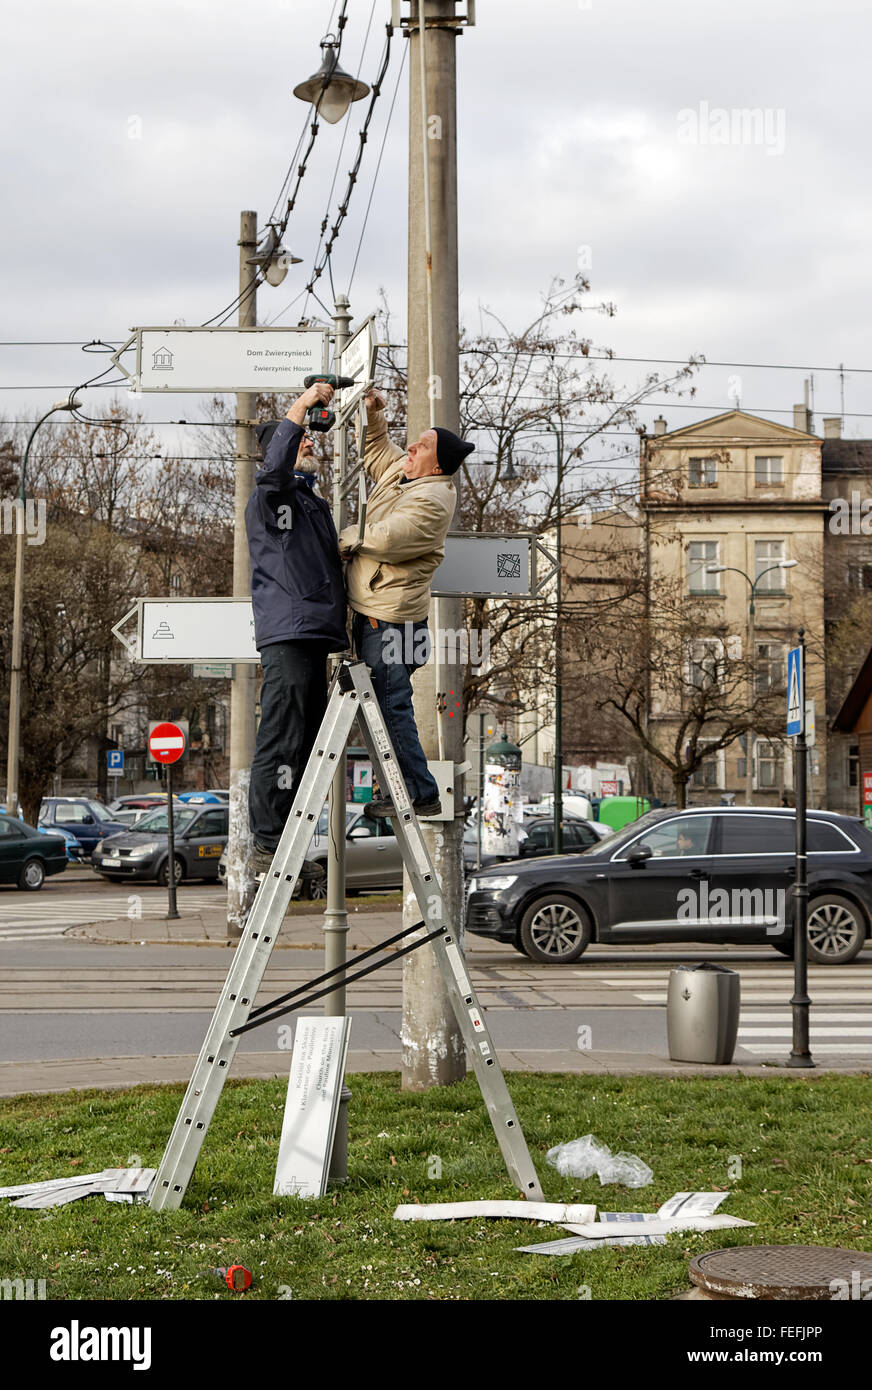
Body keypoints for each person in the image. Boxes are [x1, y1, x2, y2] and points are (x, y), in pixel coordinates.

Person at [338, 388, 474, 818]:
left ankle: (418, 793)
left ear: (436, 463)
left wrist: (340, 540)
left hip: (390, 621)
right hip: (382, 616)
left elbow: (388, 538)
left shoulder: (434, 499)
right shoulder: (406, 472)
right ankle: (397, 788)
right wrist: (375, 416)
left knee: (390, 707)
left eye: (422, 445)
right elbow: (376, 448)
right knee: (379, 705)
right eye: (413, 441)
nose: (410, 446)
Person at [245, 383, 349, 875]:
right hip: (288, 633)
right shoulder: (271, 495)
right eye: (302, 439)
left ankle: (288, 843)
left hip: (315, 633)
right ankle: (267, 841)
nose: (311, 442)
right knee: (281, 735)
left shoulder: (312, 504)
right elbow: (276, 467)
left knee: (308, 743)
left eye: (310, 439)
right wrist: (303, 407)